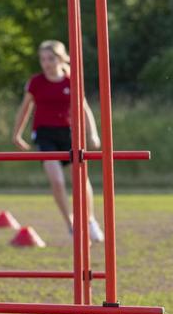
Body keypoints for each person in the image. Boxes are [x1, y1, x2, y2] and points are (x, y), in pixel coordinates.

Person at [11, 40, 105, 241]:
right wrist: (17, 134)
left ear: (61, 59)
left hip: (70, 133)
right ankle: (71, 224)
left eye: (51, 59)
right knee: (57, 180)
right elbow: (25, 108)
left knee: (80, 179)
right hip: (45, 134)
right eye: (43, 59)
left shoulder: (72, 79)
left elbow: (84, 108)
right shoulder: (36, 82)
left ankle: (90, 221)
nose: (46, 63)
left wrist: (93, 134)